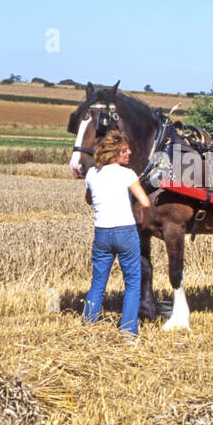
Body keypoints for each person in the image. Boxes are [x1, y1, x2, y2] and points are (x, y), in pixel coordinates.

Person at [83, 130, 151, 335]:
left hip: (102, 233)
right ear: (115, 153)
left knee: (98, 283)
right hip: (125, 232)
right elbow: (145, 203)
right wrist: (143, 220)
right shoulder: (127, 174)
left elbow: (88, 199)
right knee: (132, 283)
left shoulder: (91, 174)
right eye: (125, 150)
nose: (129, 153)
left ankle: (88, 326)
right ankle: (129, 331)